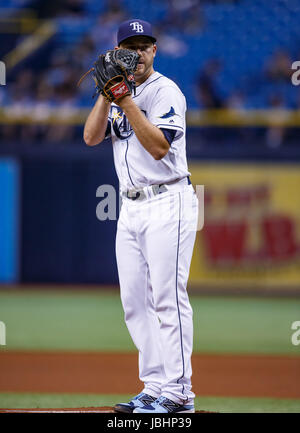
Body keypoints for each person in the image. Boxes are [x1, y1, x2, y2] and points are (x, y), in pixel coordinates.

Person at [83, 19, 198, 414]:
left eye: (145, 45)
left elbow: (159, 149)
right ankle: (154, 385)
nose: (139, 52)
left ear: (155, 50)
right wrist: (105, 94)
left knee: (167, 298)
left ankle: (180, 391)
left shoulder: (166, 90)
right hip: (129, 206)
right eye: (129, 46)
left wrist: (126, 100)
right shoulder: (117, 91)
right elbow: (91, 137)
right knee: (134, 302)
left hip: (169, 200)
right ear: (118, 53)